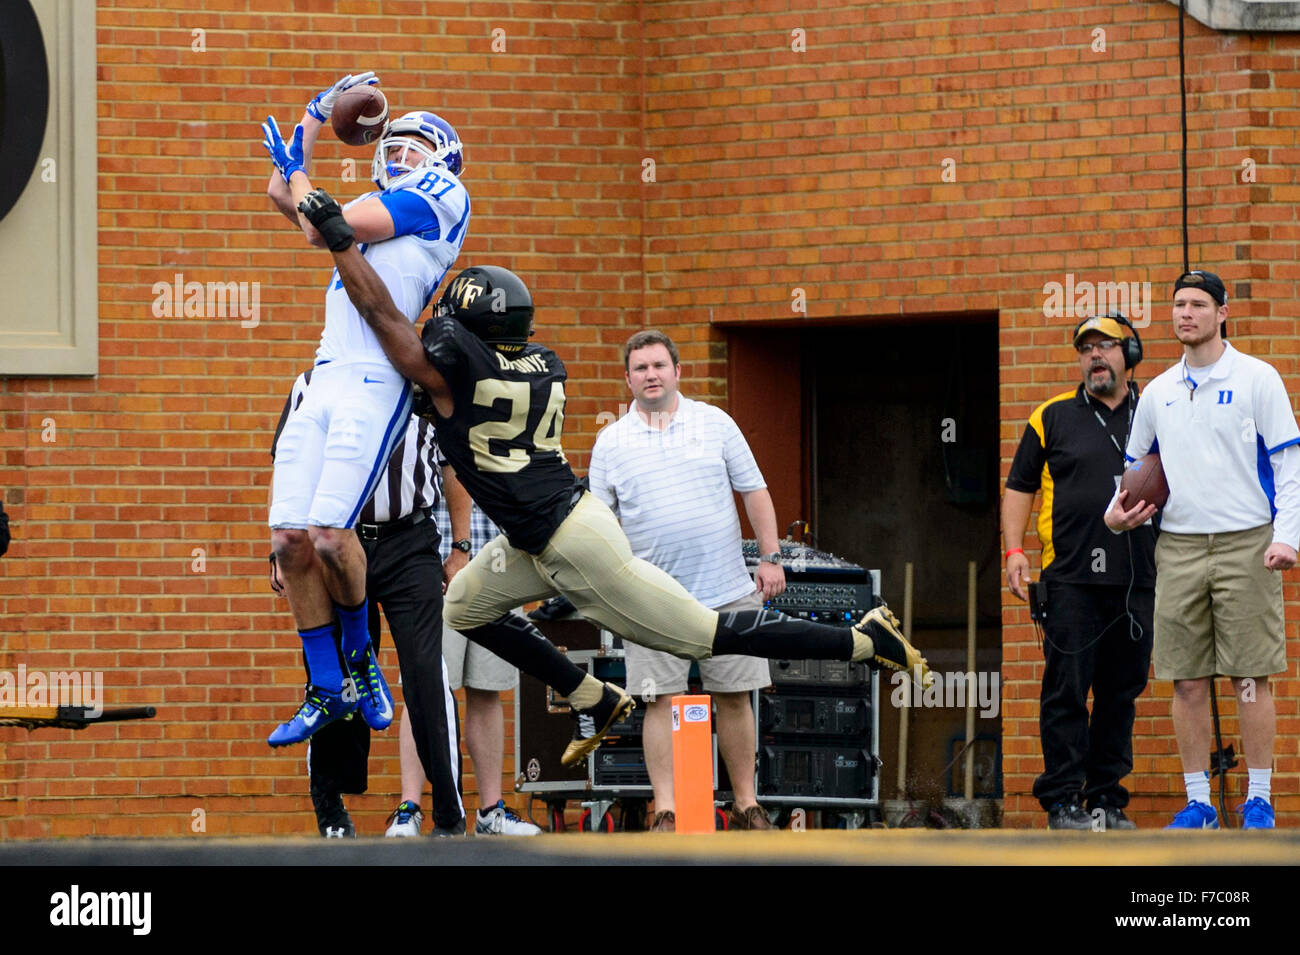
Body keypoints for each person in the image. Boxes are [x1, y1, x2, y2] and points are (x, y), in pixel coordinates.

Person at [294, 188, 934, 723]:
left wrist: (341, 239)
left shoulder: (454, 376)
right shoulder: (539, 364)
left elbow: (382, 314)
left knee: (709, 636)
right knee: (464, 605)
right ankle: (592, 696)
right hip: (540, 531)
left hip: (574, 542)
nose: (438, 325)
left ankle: (862, 638)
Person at [260, 76, 472, 746]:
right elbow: (286, 199)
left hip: (376, 377)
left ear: (439, 161)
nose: (403, 156)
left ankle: (359, 662)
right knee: (289, 540)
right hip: (324, 373)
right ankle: (325, 686)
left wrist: (304, 166)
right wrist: (313, 114)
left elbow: (329, 219)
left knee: (329, 533)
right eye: (396, 146)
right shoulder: (375, 200)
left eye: (416, 149)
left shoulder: (445, 198)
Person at [1105, 270, 1300, 830]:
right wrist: (1113, 517)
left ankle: (1258, 800)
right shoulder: (1159, 392)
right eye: (1178, 305)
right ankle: (1199, 804)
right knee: (1186, 679)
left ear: (1222, 313)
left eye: (1197, 304)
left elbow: (1288, 465)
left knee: (1249, 676)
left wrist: (1287, 535)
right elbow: (1131, 475)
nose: (1184, 313)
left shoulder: (1259, 378)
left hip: (1248, 541)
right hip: (1180, 547)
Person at [588, 330, 780, 832]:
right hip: (650, 599)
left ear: (678, 372)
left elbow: (754, 491)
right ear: (627, 378)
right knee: (660, 700)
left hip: (728, 588)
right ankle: (666, 809)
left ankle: (746, 804)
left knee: (736, 697)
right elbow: (598, 526)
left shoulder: (715, 423)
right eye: (640, 368)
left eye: (659, 366)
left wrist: (771, 557)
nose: (651, 375)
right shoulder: (611, 442)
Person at [269, 369, 467, 837]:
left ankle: (448, 816)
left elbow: (452, 465)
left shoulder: (426, 379)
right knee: (336, 675)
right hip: (337, 540)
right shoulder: (310, 382)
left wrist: (460, 548)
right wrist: (279, 551)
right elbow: (285, 466)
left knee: (425, 672)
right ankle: (331, 808)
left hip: (409, 540)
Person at [1002, 314, 1156, 830]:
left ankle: (1106, 800)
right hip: (1069, 579)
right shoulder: (1052, 416)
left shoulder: (1156, 411)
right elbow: (1020, 486)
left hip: (1139, 577)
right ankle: (1063, 800)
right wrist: (1014, 552)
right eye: (1086, 348)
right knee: (1066, 692)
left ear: (1128, 356)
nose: (1095, 356)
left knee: (1120, 694)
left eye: (1106, 347)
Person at [385, 494, 541, 837]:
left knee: (487, 689)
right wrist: (455, 550)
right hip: (439, 566)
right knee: (422, 691)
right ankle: (410, 808)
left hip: (499, 568)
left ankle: (490, 811)